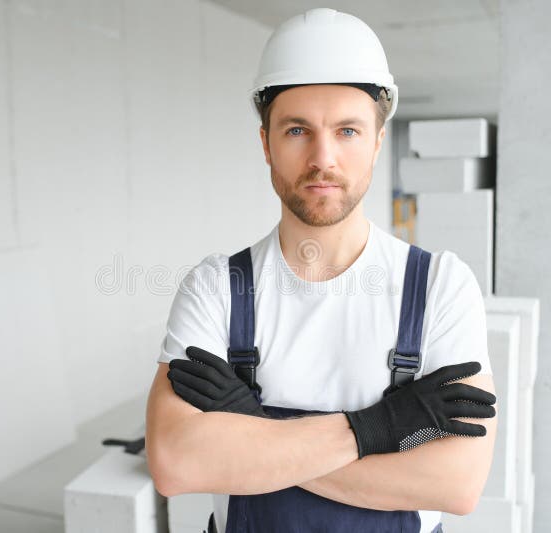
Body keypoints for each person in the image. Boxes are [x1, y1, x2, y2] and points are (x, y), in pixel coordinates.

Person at [145, 7, 497, 533]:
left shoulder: (440, 287)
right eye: (296, 130)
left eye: (348, 131)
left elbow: (456, 483)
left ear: (378, 141)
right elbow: (175, 464)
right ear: (265, 143)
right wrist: (383, 428)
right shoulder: (217, 287)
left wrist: (252, 431)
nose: (322, 158)